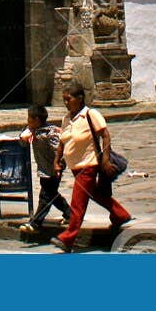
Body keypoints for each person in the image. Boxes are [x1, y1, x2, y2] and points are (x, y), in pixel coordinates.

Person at [52, 85, 132, 252]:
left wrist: (105, 158)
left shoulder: (90, 114)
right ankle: (120, 214)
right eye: (64, 99)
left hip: (88, 165)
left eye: (69, 99)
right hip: (75, 166)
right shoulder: (67, 118)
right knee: (94, 193)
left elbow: (105, 134)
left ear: (80, 98)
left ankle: (68, 238)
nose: (66, 102)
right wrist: (57, 160)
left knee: (77, 202)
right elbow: (62, 142)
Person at [18, 103, 69, 235]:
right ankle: (71, 214)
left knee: (45, 196)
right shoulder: (31, 130)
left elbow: (59, 150)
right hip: (43, 170)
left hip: (53, 169)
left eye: (30, 119)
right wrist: (22, 137)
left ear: (37, 120)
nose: (27, 121)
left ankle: (35, 223)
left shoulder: (50, 133)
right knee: (52, 195)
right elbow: (22, 142)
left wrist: (59, 164)